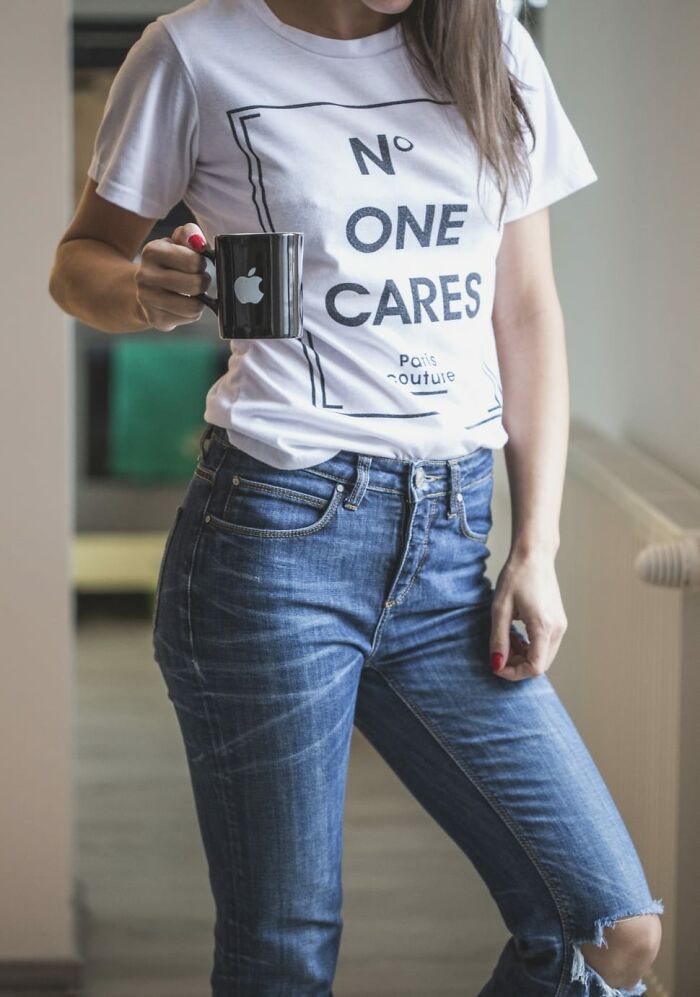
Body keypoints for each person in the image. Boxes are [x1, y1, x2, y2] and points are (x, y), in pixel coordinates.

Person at [49, 1, 664, 994]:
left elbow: (526, 306)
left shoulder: (491, 41)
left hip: (450, 544)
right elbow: (80, 262)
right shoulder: (194, 52)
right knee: (283, 949)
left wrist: (535, 547)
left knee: (609, 926)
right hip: (273, 535)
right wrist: (143, 292)